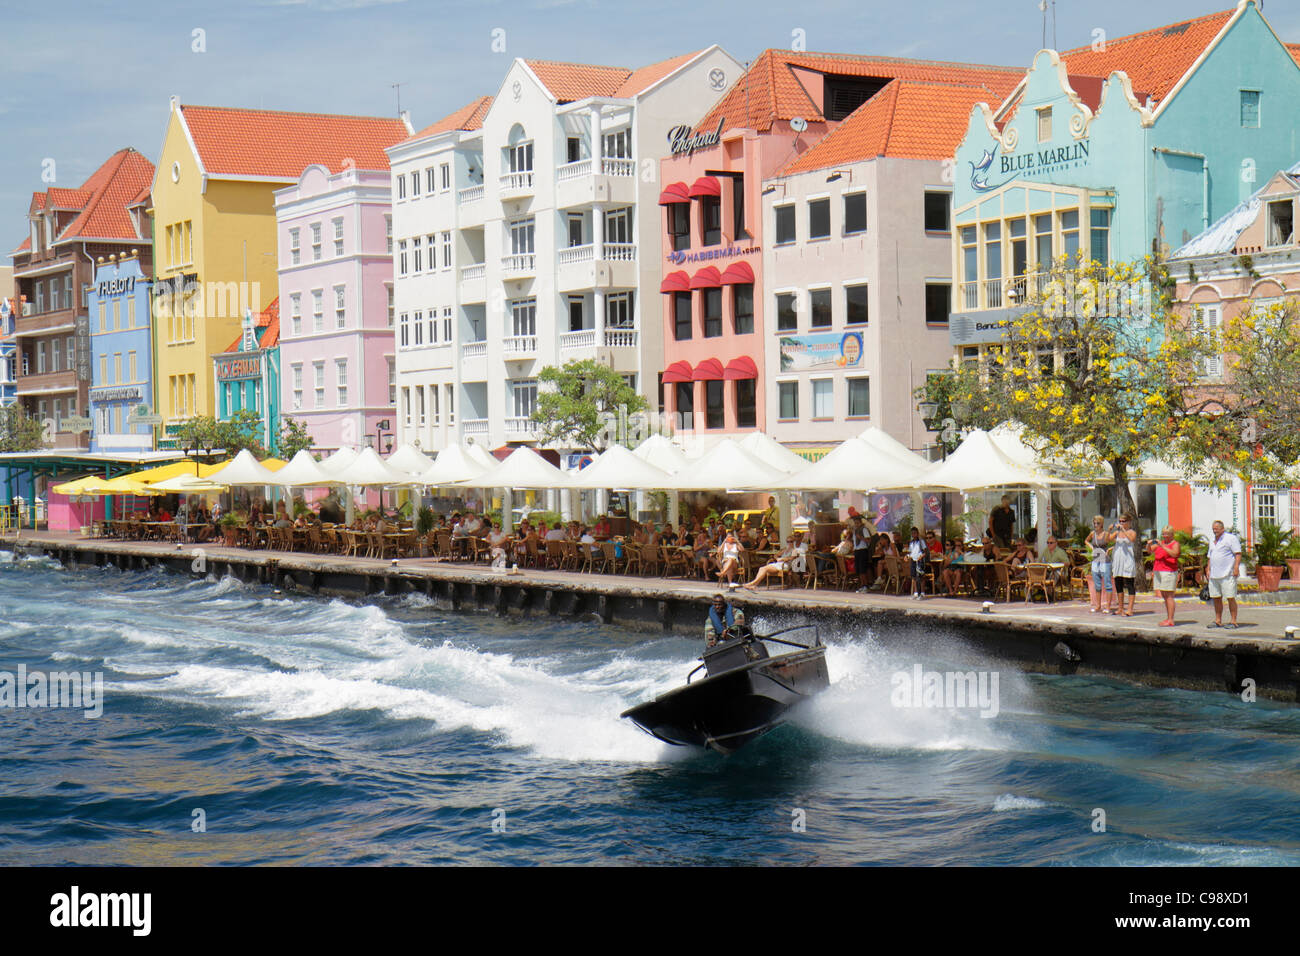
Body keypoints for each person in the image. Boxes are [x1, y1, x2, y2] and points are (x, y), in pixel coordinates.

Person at [1205, 520, 1242, 628]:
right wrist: (1208, 569)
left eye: (1216, 528)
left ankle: (1233, 621)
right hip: (1214, 574)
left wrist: (1236, 567)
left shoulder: (1230, 538)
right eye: (1213, 529)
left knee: (1230, 597)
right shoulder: (1212, 541)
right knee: (1216, 597)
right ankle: (1218, 620)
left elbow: (1238, 554)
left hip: (1227, 573)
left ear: (1222, 528)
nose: (1214, 531)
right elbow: (1210, 556)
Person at [1148, 526, 1181, 626]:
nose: (1165, 536)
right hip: (1159, 570)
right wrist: (1148, 545)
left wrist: (1162, 547)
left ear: (1172, 534)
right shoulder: (1160, 543)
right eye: (1163, 533)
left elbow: (1175, 554)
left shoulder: (1175, 544)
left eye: (1167, 534)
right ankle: (1168, 617)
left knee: (1169, 595)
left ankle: (1171, 619)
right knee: (1164, 595)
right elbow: (1150, 551)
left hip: (1168, 571)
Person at [1106, 513, 1139, 616]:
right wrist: (1109, 530)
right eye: (1119, 521)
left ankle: (1130, 609)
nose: (1121, 523)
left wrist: (1123, 530)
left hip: (1127, 560)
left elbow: (1131, 539)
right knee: (1118, 584)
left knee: (1129, 584)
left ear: (1128, 522)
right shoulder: (1117, 533)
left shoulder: (1131, 532)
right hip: (1118, 560)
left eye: (1123, 521)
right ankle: (1120, 608)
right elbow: (1107, 540)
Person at [1086, 516, 1116, 614]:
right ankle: (1098, 605)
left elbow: (1116, 542)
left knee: (1107, 582)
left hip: (1104, 559)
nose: (1096, 525)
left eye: (1098, 523)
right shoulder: (1092, 534)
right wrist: (1091, 547)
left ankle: (1108, 606)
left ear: (1102, 524)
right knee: (1097, 583)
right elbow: (1086, 541)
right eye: (1094, 523)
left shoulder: (1106, 534)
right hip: (1096, 559)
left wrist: (1109, 549)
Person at [852, 516, 874, 593]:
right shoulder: (855, 530)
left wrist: (861, 538)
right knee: (858, 569)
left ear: (860, 523)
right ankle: (862, 585)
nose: (856, 524)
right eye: (855, 523)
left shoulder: (864, 529)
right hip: (857, 550)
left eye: (857, 523)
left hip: (863, 550)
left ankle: (866, 585)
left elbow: (868, 540)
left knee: (863, 569)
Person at [906, 527, 929, 599]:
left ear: (917, 533)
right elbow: (911, 552)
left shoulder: (921, 542)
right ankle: (916, 592)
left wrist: (921, 557)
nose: (913, 535)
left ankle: (922, 593)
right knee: (914, 577)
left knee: (920, 576)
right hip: (913, 560)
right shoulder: (911, 542)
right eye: (912, 533)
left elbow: (925, 552)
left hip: (919, 561)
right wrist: (907, 556)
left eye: (915, 533)